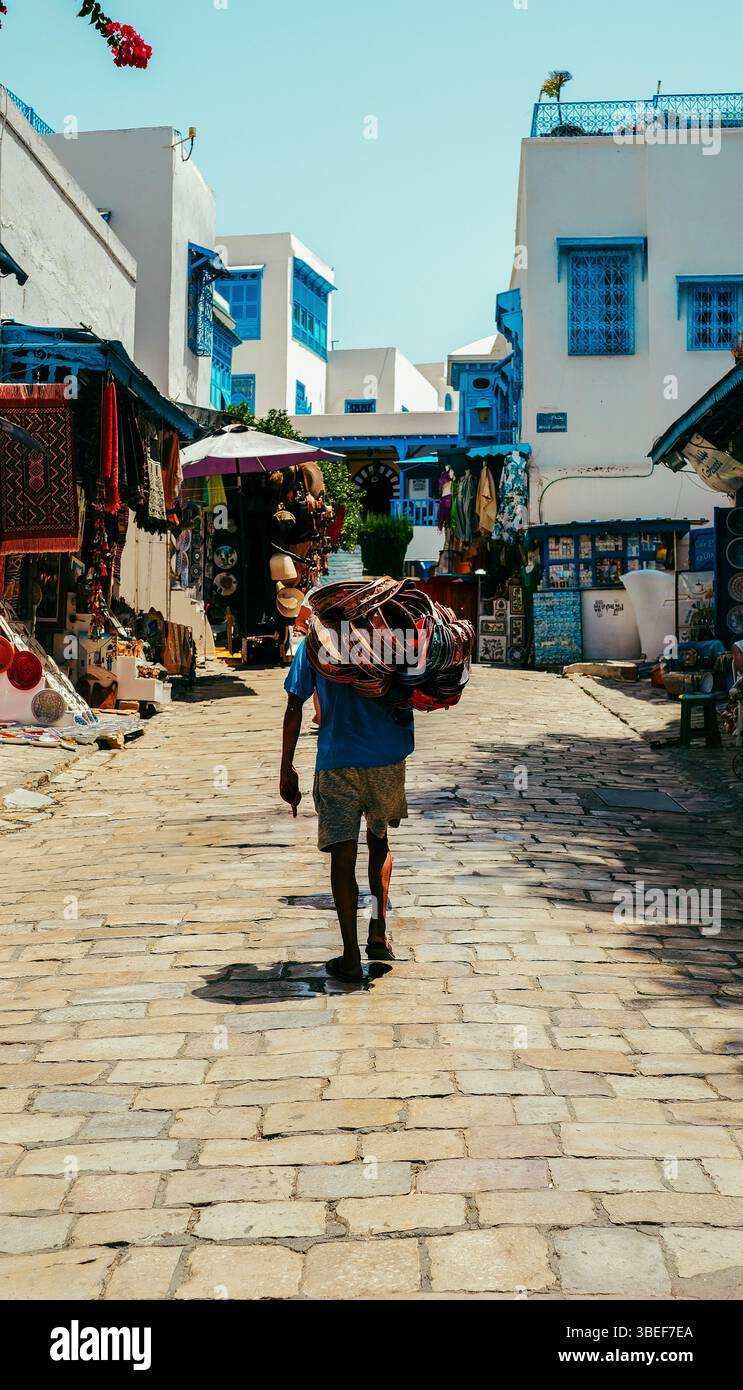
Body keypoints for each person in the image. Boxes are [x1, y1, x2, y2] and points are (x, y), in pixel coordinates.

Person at [280, 637, 414, 983]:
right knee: (379, 839)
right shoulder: (392, 638)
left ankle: (351, 957)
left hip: (338, 759)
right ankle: (378, 931)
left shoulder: (318, 641)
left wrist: (286, 767)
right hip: (386, 756)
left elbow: (295, 703)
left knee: (343, 852)